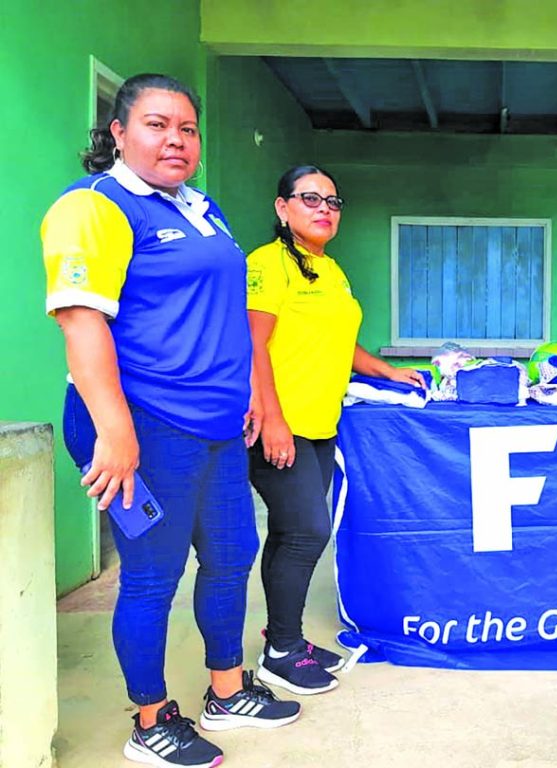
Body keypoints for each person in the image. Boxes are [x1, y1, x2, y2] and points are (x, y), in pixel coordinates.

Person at [41, 74, 300, 768]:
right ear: (118, 132)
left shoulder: (199, 206)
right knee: (153, 576)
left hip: (215, 421)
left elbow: (222, 313)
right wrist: (114, 431)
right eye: (156, 125)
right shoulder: (93, 206)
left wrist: (249, 390)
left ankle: (227, 690)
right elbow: (80, 321)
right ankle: (151, 722)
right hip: (142, 421)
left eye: (187, 128)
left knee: (232, 555)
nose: (175, 140)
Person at [247, 165, 424, 695]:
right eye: (310, 198)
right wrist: (273, 420)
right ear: (282, 208)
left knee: (290, 533)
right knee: (307, 532)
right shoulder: (267, 264)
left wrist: (386, 370)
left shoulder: (331, 271)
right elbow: (251, 345)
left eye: (332, 201)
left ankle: (285, 637)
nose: (324, 209)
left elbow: (339, 343)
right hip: (282, 425)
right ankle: (281, 651)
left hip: (321, 423)